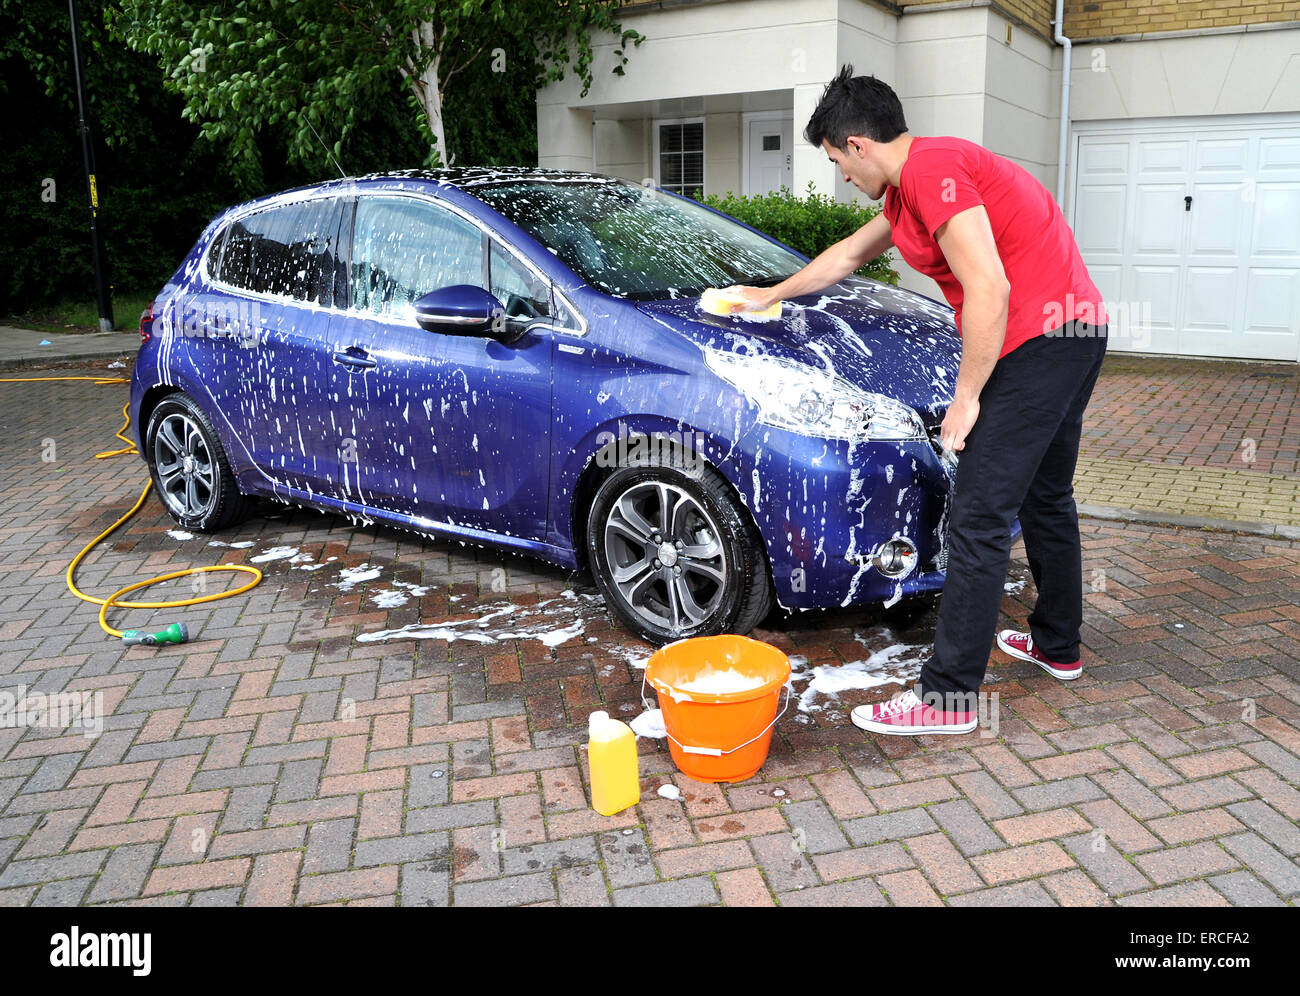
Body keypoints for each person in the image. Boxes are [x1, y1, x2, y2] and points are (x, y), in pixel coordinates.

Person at [727, 65, 1109, 736]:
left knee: (978, 515)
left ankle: (949, 697)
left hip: (1040, 342)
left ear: (858, 144)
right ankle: (1058, 644)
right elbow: (845, 256)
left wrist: (966, 399)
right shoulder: (909, 190)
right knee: (1044, 496)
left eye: (838, 161)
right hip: (1073, 332)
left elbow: (988, 287)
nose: (842, 176)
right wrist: (770, 295)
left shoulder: (932, 171)